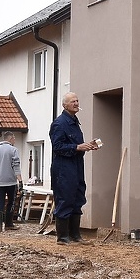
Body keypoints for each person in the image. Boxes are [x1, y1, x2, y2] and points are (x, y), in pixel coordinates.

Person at [50, 92, 101, 245]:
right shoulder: (59, 124)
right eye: (73, 101)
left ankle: (75, 235)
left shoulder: (74, 122)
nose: (77, 103)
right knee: (65, 198)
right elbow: (57, 147)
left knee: (78, 197)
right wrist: (77, 147)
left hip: (76, 165)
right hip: (63, 168)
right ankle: (63, 237)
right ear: (65, 105)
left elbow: (76, 146)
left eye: (77, 100)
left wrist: (88, 146)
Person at [0, 131, 22, 231]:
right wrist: (20, 180)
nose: (15, 141)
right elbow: (15, 165)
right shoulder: (13, 150)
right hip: (10, 181)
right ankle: (9, 224)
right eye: (14, 139)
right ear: (11, 139)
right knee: (11, 201)